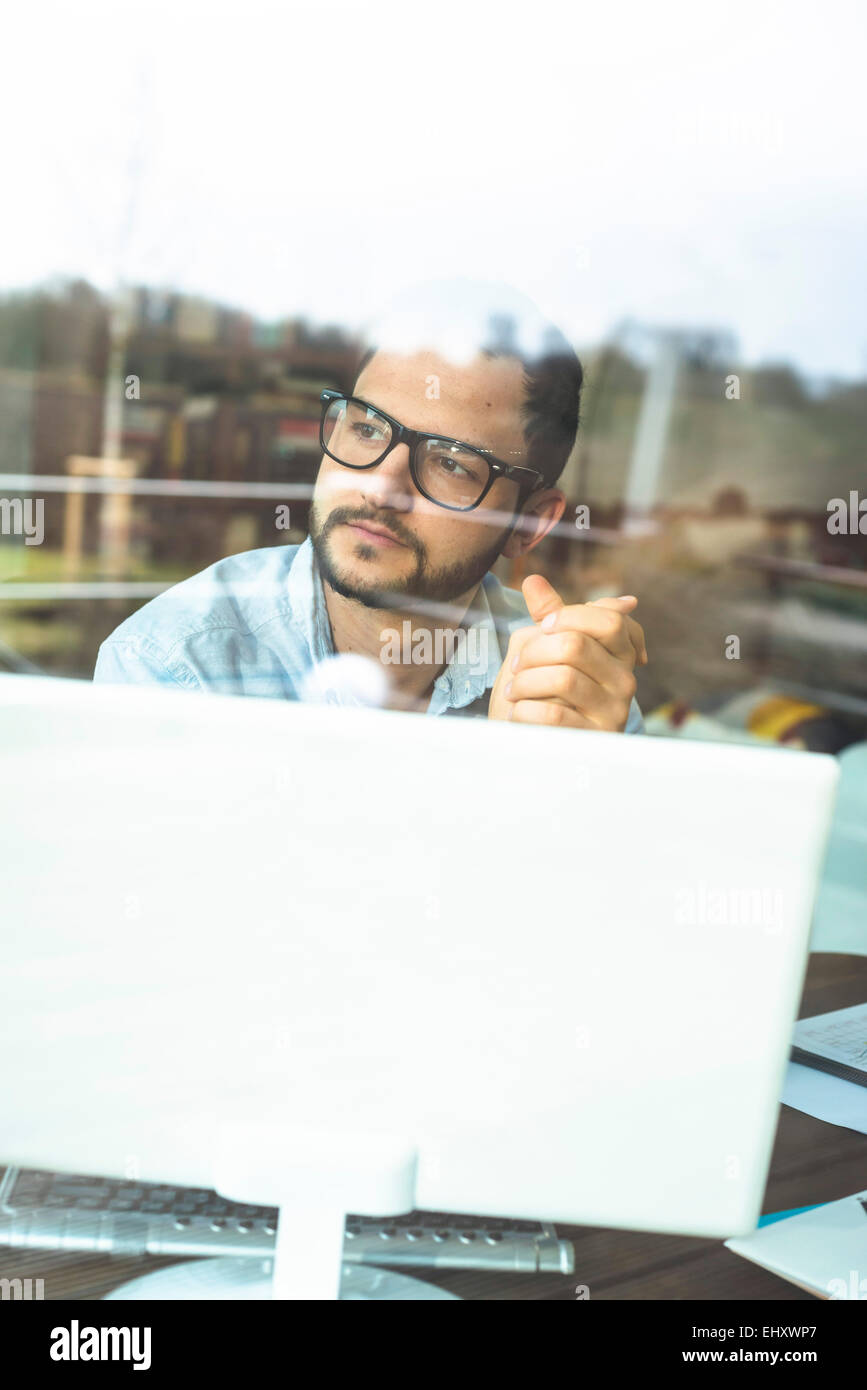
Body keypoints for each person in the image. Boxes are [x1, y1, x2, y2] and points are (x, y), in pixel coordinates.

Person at [95, 280, 647, 731]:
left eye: (452, 463)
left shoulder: (565, 689)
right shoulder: (176, 666)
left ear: (529, 523)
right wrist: (493, 772)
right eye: (366, 428)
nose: (382, 489)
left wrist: (555, 775)